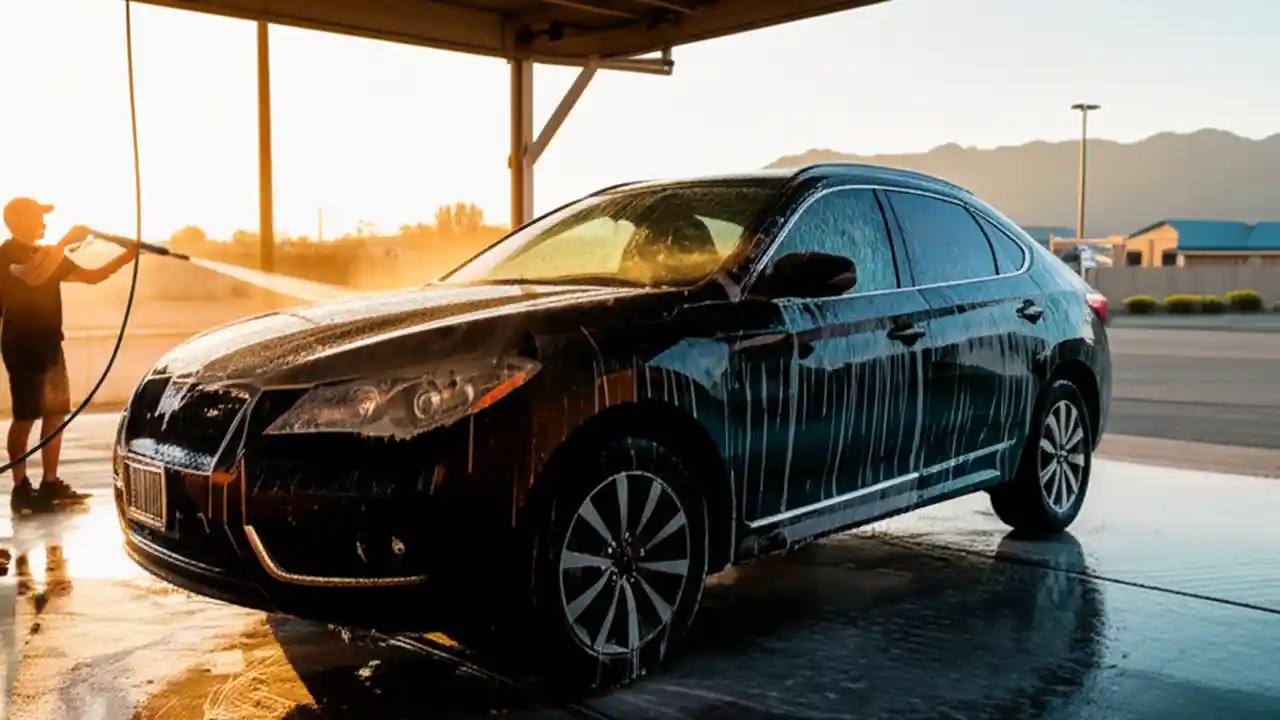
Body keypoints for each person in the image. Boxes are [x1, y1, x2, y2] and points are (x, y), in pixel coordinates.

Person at [1, 197, 138, 514]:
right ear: (19, 220)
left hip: (50, 342)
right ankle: (21, 488)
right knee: (26, 415)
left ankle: (50, 484)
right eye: (38, 216)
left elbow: (93, 276)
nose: (43, 222)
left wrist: (129, 256)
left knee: (55, 412)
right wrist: (65, 241)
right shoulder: (7, 254)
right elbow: (33, 274)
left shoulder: (48, 255)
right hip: (21, 345)